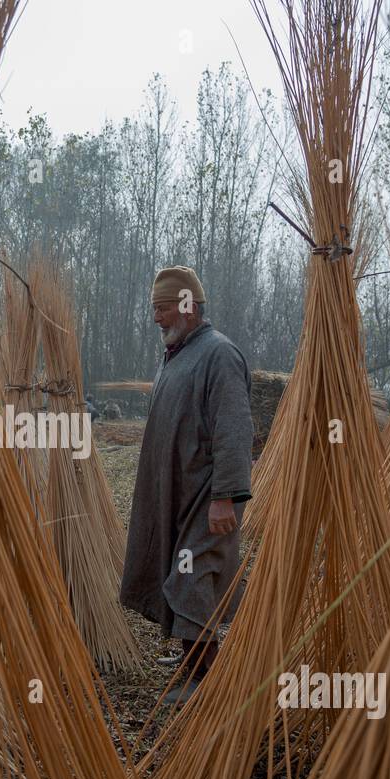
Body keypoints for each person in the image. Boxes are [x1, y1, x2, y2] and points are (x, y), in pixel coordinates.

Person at [120, 266, 253, 707]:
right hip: (176, 493)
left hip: (206, 497)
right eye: (154, 309)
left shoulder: (219, 355)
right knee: (177, 574)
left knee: (192, 576)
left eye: (161, 308)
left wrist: (224, 497)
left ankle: (203, 676)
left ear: (187, 306)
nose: (156, 318)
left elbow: (234, 430)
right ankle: (189, 657)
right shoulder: (179, 354)